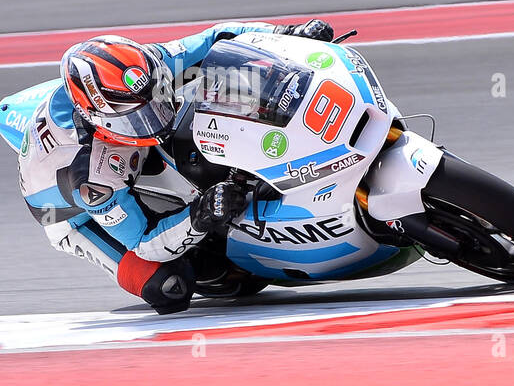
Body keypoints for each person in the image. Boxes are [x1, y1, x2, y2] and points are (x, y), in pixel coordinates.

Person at [17, 18, 334, 313]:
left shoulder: (149, 66)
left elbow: (219, 39)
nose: (154, 118)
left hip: (125, 146)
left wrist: (288, 33)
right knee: (169, 287)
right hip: (75, 217)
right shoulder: (91, 177)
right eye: (136, 118)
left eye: (157, 100)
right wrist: (200, 215)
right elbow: (144, 242)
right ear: (97, 119)